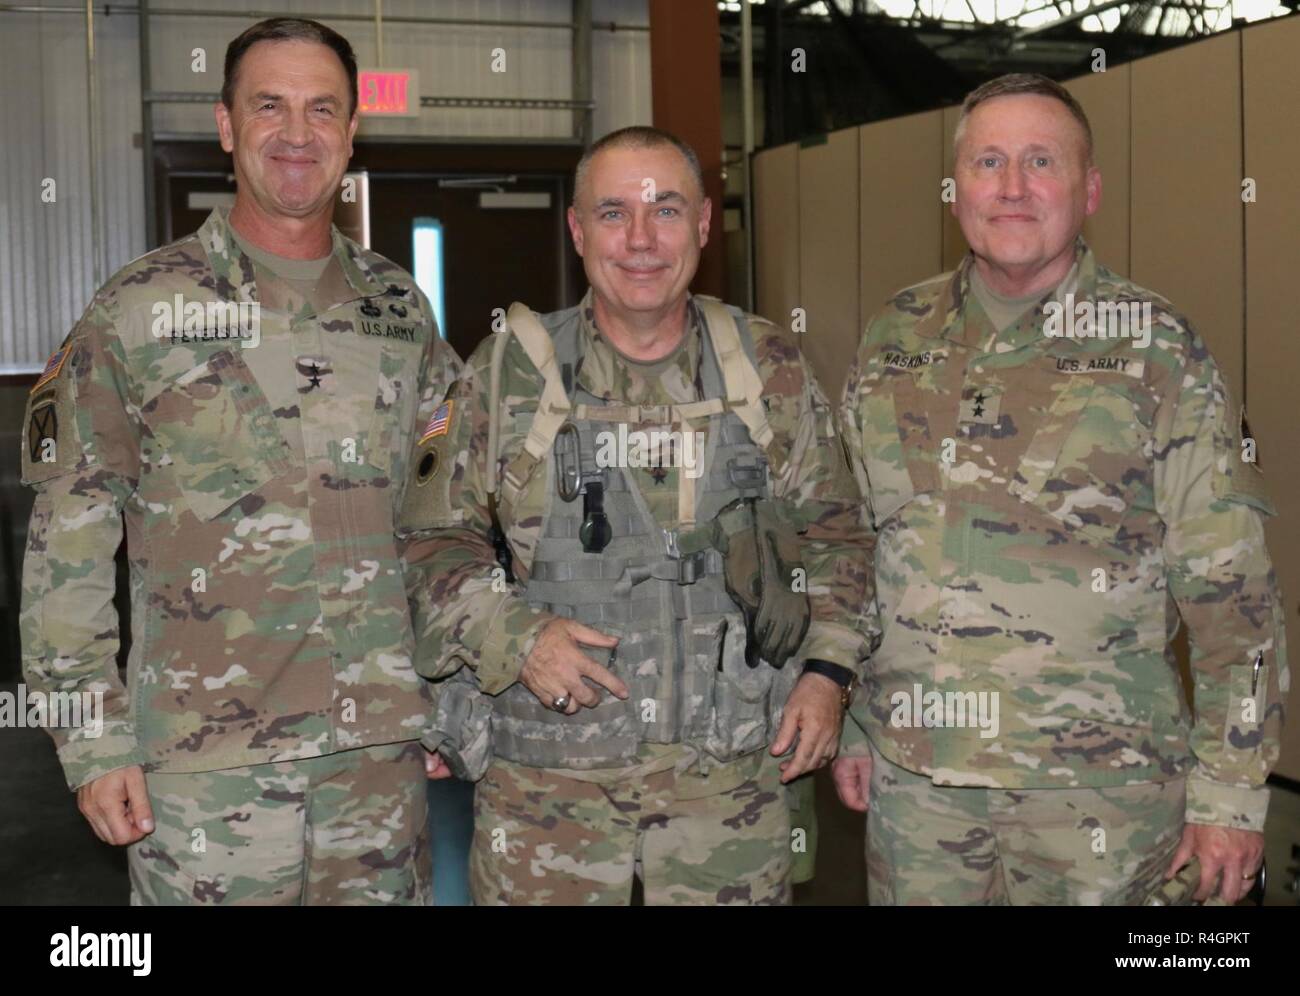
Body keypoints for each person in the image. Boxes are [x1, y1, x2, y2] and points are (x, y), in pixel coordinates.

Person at [19, 17, 460, 905]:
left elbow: (443, 522)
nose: (297, 134)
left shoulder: (399, 311)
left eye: (321, 109)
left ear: (349, 132)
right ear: (226, 125)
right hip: (205, 775)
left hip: (378, 763)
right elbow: (66, 544)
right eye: (269, 107)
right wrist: (92, 742)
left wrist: (454, 698)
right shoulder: (137, 310)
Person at [833, 73, 1288, 905]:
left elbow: (1233, 591)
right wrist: (859, 718)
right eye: (988, 162)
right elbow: (868, 546)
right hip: (918, 792)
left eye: (1041, 161)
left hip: (1101, 800)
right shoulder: (895, 337)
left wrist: (1230, 789)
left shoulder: (1157, 350)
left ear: (1089, 190)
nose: (1011, 187)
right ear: (955, 187)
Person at [398, 126, 871, 905]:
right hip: (547, 801)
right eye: (614, 213)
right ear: (578, 230)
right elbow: (428, 542)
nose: (642, 240)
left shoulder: (766, 369)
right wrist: (512, 637)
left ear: (706, 225)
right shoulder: (506, 373)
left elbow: (839, 537)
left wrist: (827, 674)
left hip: (731, 792)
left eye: (667, 211)